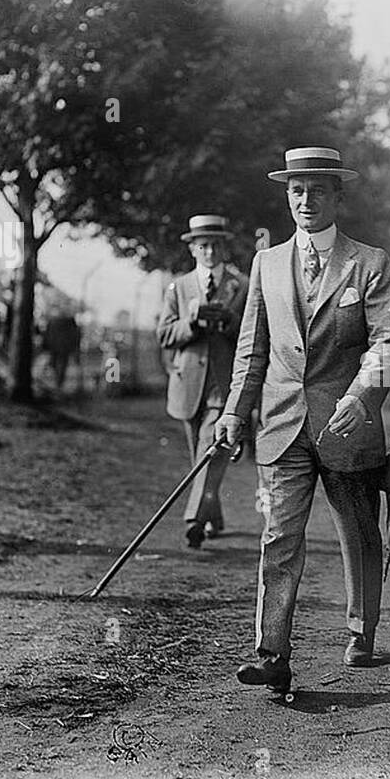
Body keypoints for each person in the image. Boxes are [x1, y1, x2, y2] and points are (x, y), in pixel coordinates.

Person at [215, 146, 390, 692]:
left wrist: (362, 396)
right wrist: (233, 412)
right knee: (279, 537)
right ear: (287, 196)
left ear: (338, 197)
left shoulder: (370, 263)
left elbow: (387, 342)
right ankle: (272, 652)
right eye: (297, 189)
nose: (306, 199)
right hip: (283, 423)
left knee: (359, 532)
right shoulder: (266, 264)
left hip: (347, 424)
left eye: (318, 189)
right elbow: (252, 350)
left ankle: (361, 629)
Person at [157, 214, 249, 548]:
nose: (210, 251)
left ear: (224, 248)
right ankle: (215, 516)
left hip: (224, 385)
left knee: (211, 447)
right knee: (202, 455)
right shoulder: (179, 287)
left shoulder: (243, 285)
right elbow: (164, 334)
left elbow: (253, 335)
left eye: (215, 245)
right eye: (203, 246)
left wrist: (229, 321)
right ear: (193, 250)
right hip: (187, 383)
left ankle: (195, 519)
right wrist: (191, 323)